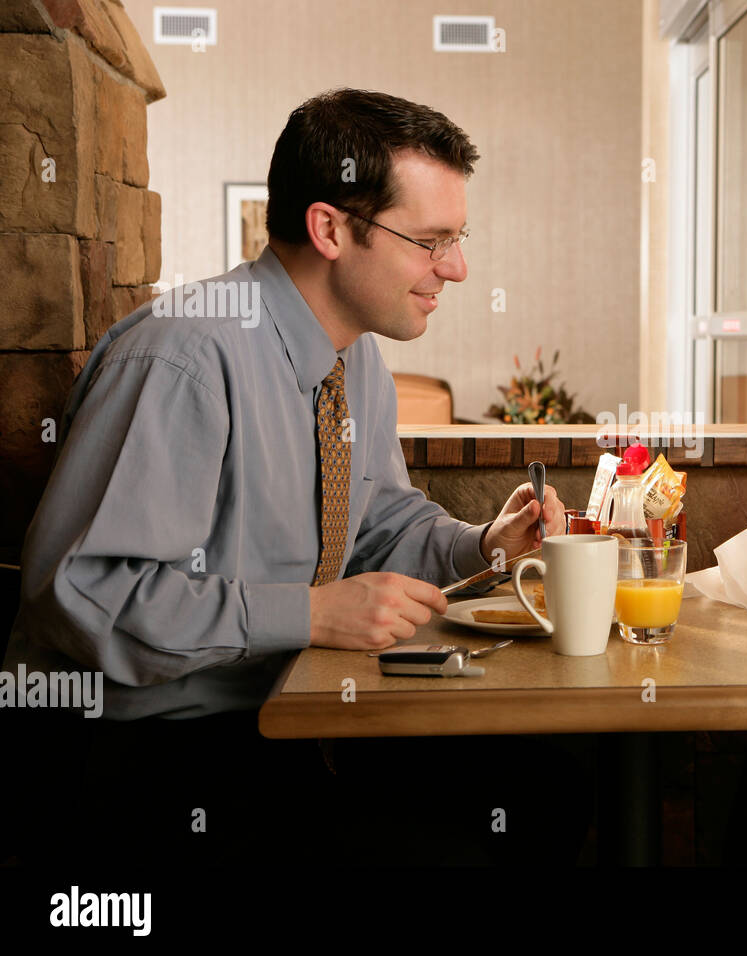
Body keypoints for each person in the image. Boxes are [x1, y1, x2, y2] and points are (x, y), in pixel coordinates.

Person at [3, 89, 588, 865]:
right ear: (331, 229)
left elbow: (378, 521)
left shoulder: (356, 359)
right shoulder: (183, 357)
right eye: (430, 240)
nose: (457, 266)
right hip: (140, 753)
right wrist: (311, 617)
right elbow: (87, 599)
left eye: (458, 237)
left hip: (283, 720)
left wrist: (484, 542)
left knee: (556, 777)